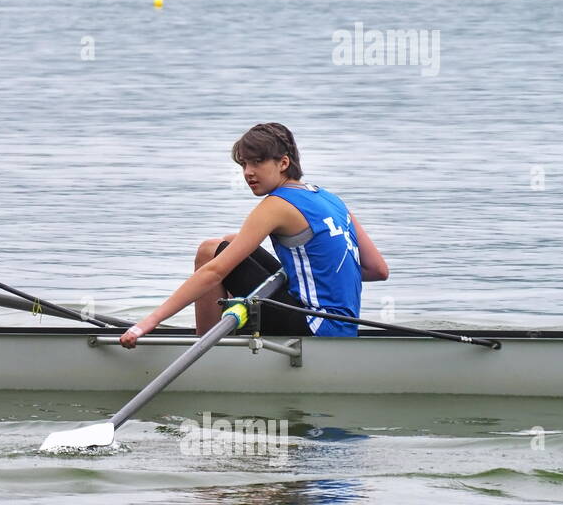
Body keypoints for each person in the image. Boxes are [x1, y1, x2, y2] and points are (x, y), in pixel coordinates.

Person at [120, 123, 388, 346]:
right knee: (228, 242)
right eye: (244, 164)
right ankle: (216, 332)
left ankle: (208, 350)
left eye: (257, 162)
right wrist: (319, 274)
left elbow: (214, 272)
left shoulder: (277, 204)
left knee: (208, 252)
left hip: (314, 326)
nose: (248, 172)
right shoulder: (332, 200)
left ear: (283, 162)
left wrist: (148, 322)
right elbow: (377, 270)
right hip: (345, 326)